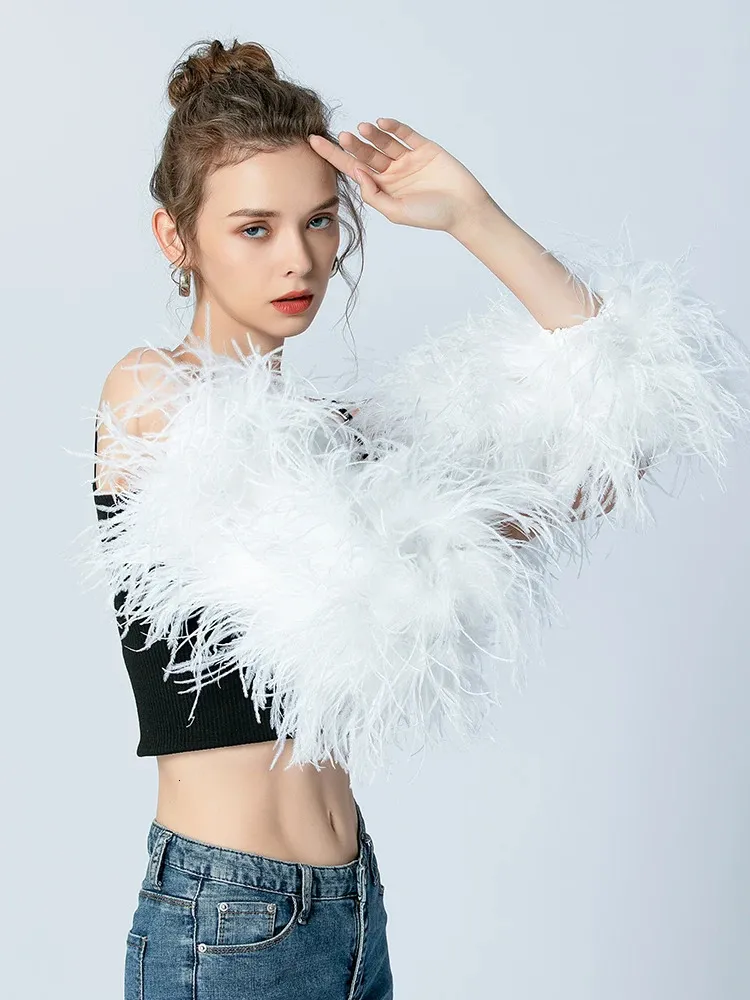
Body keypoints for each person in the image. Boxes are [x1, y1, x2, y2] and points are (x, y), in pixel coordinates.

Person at [83, 36, 750, 1000]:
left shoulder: (339, 443)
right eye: (255, 228)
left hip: (347, 910)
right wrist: (480, 516)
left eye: (320, 220)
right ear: (174, 237)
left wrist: (474, 217)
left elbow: (622, 432)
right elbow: (366, 573)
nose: (300, 257)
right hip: (226, 919)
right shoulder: (151, 393)